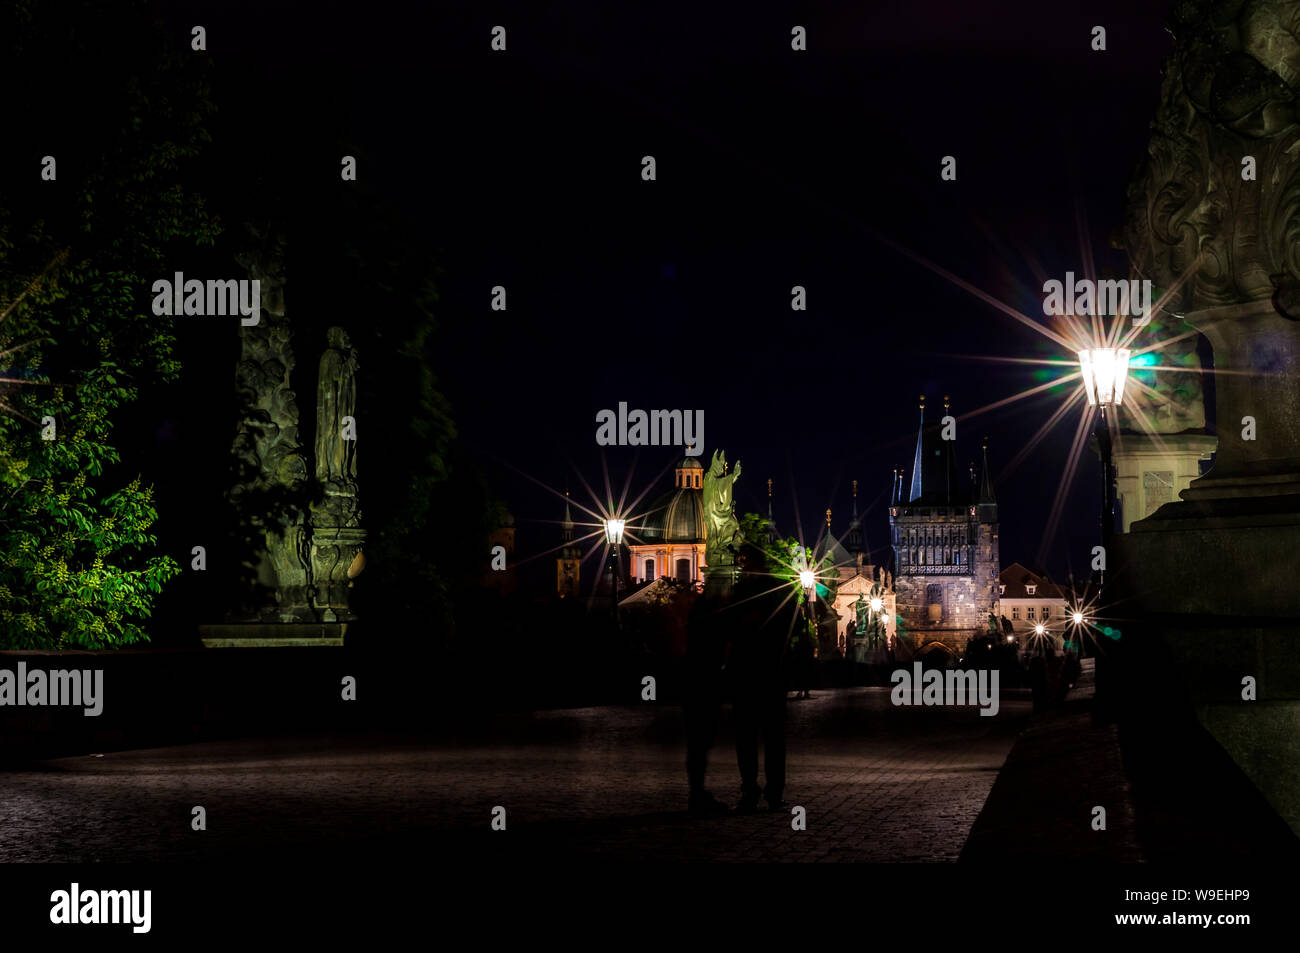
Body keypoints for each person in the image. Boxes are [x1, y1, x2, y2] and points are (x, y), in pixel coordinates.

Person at [729, 542, 799, 813]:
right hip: (772, 671)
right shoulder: (782, 591)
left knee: (747, 736)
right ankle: (773, 792)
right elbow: (793, 629)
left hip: (747, 671)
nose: (741, 566)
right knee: (773, 737)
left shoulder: (739, 592)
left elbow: (729, 629)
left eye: (744, 561)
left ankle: (750, 791)